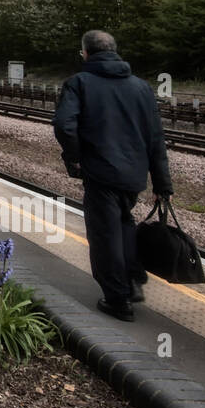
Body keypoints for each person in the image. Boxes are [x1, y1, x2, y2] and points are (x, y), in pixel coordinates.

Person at [52, 29, 172, 322]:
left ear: (85, 53)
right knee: (123, 224)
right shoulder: (142, 88)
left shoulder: (79, 83)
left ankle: (118, 300)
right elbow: (156, 138)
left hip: (100, 173)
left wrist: (77, 158)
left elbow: (64, 125)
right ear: (115, 51)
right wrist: (162, 183)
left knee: (105, 235)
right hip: (133, 177)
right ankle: (131, 280)